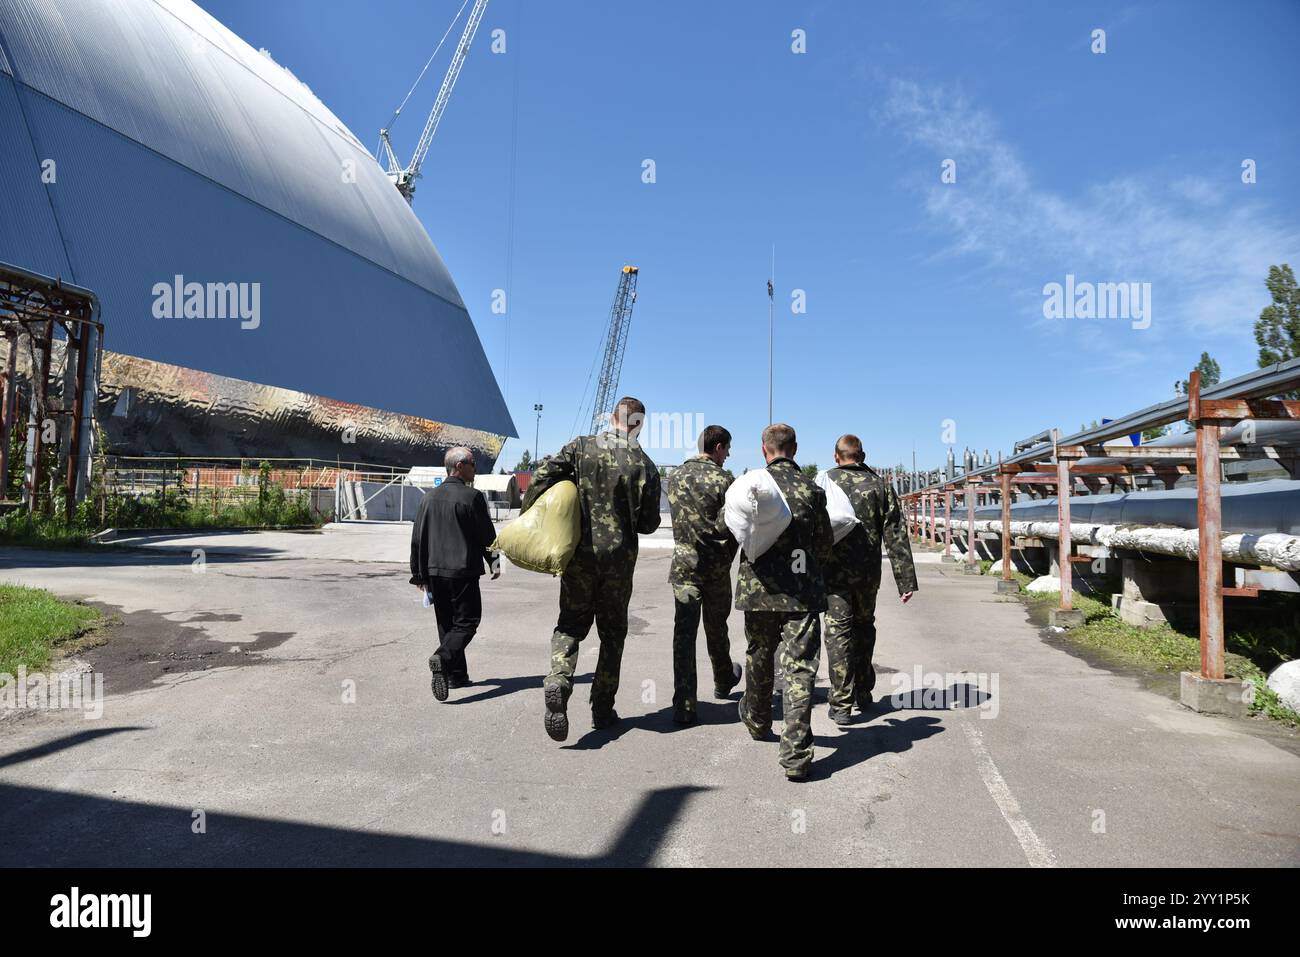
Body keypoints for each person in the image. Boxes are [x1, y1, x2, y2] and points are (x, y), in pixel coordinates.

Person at [522, 396, 662, 741]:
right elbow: (648, 524)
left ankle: (559, 679)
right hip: (619, 562)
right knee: (612, 636)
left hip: (580, 556)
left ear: (612, 417)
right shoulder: (645, 464)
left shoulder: (581, 447)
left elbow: (542, 475)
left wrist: (531, 515)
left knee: (570, 624)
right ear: (638, 424)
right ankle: (602, 709)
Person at [735, 424, 833, 781]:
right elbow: (824, 543)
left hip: (758, 591)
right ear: (795, 448)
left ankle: (759, 720)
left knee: (760, 657)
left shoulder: (752, 485)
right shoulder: (811, 490)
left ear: (764, 450)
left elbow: (727, 527)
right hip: (801, 593)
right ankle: (795, 755)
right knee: (800, 669)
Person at [823, 434, 916, 725]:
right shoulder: (880, 486)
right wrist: (905, 581)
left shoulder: (825, 482)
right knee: (864, 628)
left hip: (833, 575)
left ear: (837, 456)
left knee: (838, 632)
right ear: (862, 456)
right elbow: (896, 534)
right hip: (867, 576)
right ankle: (863, 691)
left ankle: (840, 703)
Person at [409, 446, 500, 702]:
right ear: (459, 465)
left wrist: (418, 574)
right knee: (468, 622)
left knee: (448, 625)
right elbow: (486, 536)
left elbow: (417, 538)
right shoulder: (472, 497)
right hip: (462, 571)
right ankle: (443, 658)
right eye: (472, 462)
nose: (475, 467)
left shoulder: (428, 498)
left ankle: (455, 675)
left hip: (435, 571)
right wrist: (494, 563)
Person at [666, 424, 742, 725]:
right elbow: (736, 524)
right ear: (719, 447)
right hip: (715, 568)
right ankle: (723, 679)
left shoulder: (676, 476)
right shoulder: (725, 479)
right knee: (716, 627)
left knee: (683, 636)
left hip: (684, 567)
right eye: (728, 449)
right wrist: (727, 556)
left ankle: (684, 705)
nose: (728, 455)